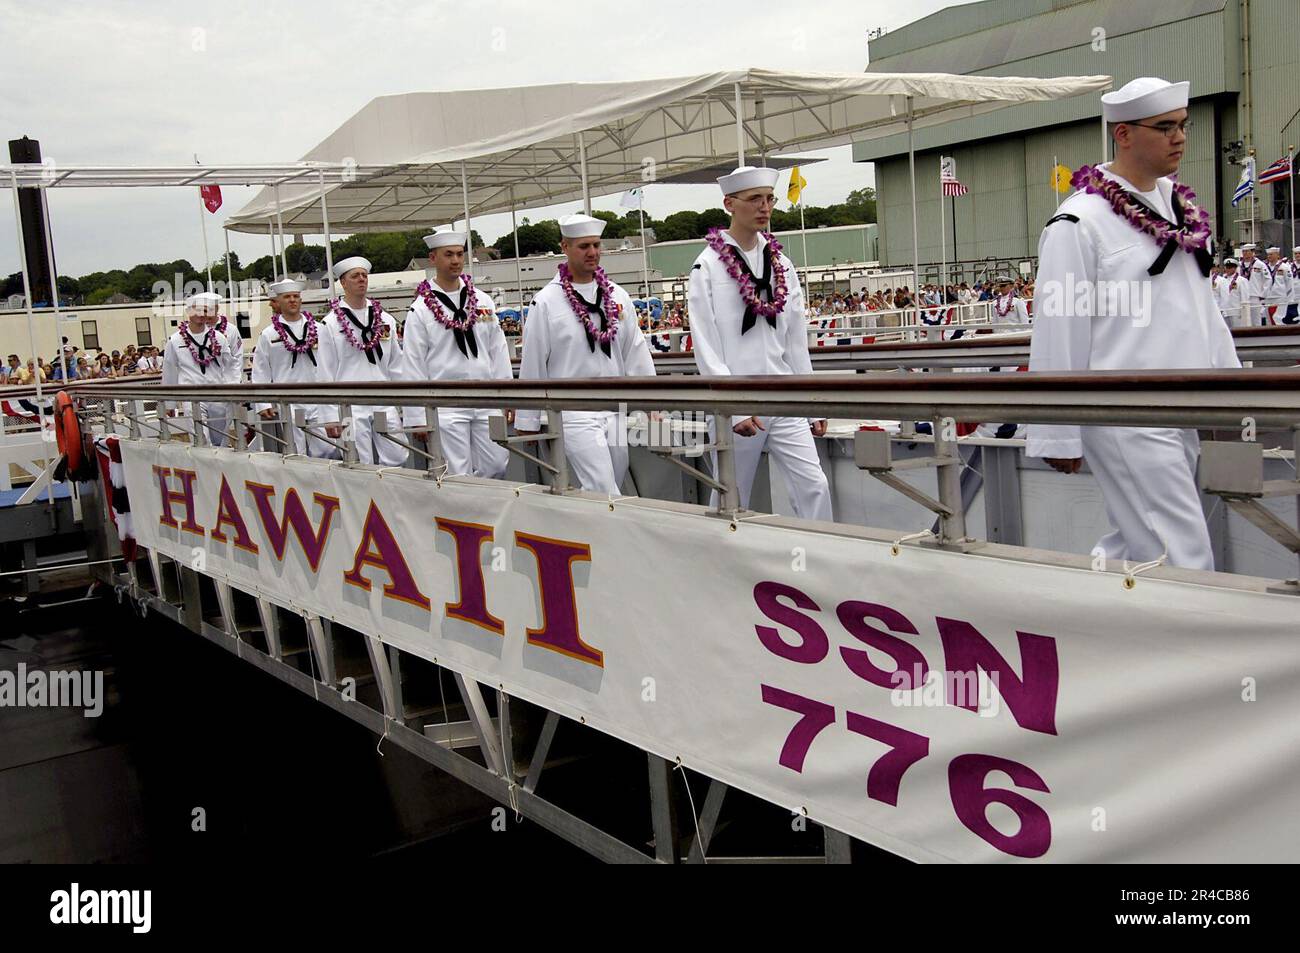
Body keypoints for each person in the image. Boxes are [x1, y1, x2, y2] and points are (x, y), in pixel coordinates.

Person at [1027, 76, 1238, 571]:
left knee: (1137, 541)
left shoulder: (1180, 209)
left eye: (1183, 126)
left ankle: (1101, 624)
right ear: (1123, 134)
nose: (1179, 137)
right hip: (1128, 412)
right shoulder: (1080, 221)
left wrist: (1230, 388)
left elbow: (1199, 306)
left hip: (1180, 405)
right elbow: (1060, 328)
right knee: (1180, 554)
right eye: (1164, 127)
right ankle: (1193, 645)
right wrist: (1058, 432)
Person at [686, 165, 833, 520]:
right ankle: (723, 565)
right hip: (739, 397)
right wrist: (732, 405)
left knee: (814, 485)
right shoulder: (706, 267)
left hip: (784, 395)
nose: (764, 207)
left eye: (769, 199)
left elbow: (796, 339)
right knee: (731, 496)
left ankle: (818, 558)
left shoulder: (782, 263)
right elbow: (705, 345)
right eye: (754, 199)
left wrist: (812, 400)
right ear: (729, 204)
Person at [516, 213, 656, 494]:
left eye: (596, 245)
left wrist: (652, 402)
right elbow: (534, 360)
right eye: (583, 246)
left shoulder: (617, 295)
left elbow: (635, 350)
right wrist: (528, 419)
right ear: (565, 247)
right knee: (603, 487)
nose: (592, 252)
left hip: (615, 408)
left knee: (612, 481)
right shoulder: (546, 302)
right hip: (573, 411)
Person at [403, 226, 512, 479]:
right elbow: (413, 362)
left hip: (486, 398)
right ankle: (464, 514)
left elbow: (498, 349)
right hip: (447, 403)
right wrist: (418, 414)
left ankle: (485, 511)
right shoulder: (420, 309)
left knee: (497, 464)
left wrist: (507, 394)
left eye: (460, 254)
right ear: (433, 259)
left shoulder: (482, 301)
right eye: (448, 254)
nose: (455, 261)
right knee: (455, 473)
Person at [316, 256, 410, 466]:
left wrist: (406, 403)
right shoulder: (329, 324)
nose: (361, 279)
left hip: (383, 400)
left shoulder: (384, 319)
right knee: (355, 458)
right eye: (355, 276)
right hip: (349, 405)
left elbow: (396, 364)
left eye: (364, 275)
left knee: (398, 453)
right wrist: (330, 416)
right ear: (343, 282)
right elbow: (325, 370)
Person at [250, 278, 338, 457]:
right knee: (296, 450)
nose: (292, 300)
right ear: (279, 302)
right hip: (288, 399)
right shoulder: (269, 334)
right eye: (287, 297)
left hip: (318, 395)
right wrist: (263, 401)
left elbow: (333, 362)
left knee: (328, 447)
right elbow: (261, 369)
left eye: (296, 296)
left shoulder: (319, 329)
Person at [161, 292, 241, 446]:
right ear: (189, 311)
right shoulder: (175, 340)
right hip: (192, 395)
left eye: (205, 310)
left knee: (220, 439)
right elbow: (169, 370)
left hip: (217, 393)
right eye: (197, 310)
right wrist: (169, 403)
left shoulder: (219, 338)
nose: (201, 314)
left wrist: (233, 389)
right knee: (200, 439)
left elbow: (231, 365)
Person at [1256, 246, 1293, 325]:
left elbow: (1289, 283)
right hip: (1268, 296)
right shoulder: (1264, 267)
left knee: (1278, 318)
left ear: (1277, 255)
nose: (1269, 256)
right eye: (1268, 255)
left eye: (1271, 254)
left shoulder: (1284, 267)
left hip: (1280, 297)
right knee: (1268, 319)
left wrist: (1289, 298)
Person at [1213, 258, 1247, 327]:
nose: (1228, 269)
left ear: (1235, 268)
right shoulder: (1221, 279)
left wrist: (1243, 312)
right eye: (1227, 267)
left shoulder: (1241, 280)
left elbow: (1244, 297)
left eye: (1230, 267)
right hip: (1224, 311)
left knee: (1237, 332)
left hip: (1236, 311)